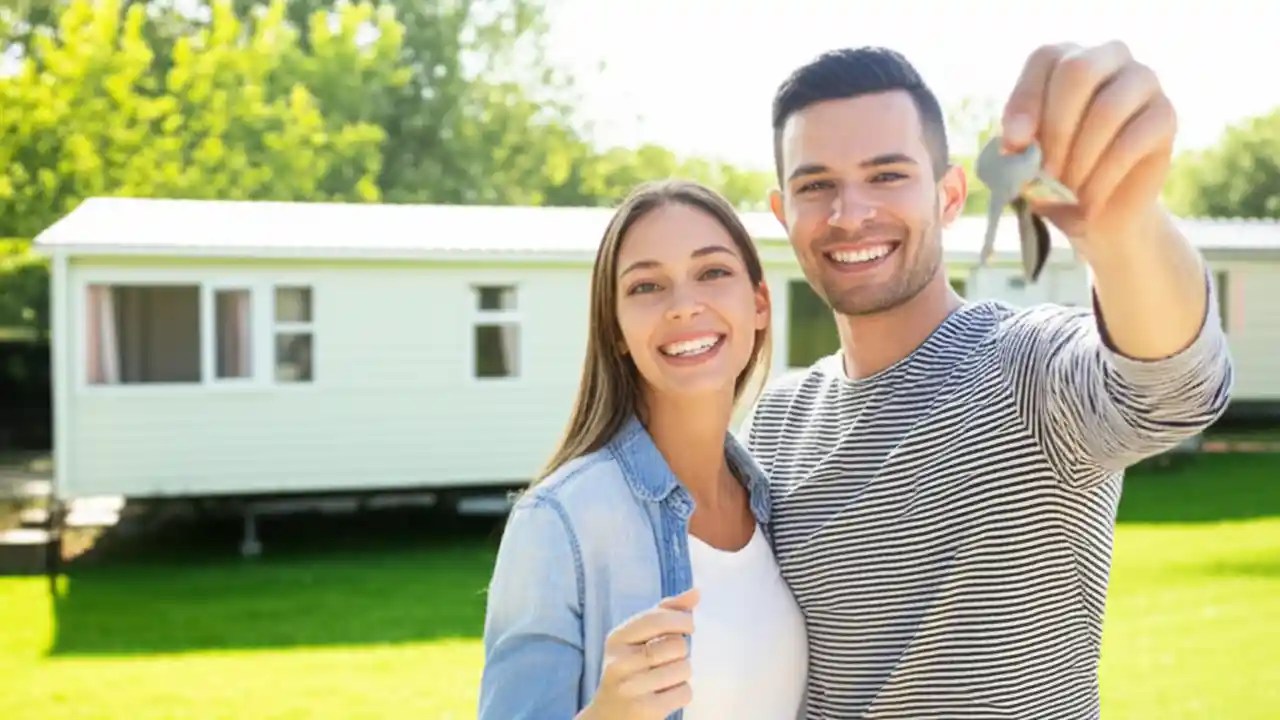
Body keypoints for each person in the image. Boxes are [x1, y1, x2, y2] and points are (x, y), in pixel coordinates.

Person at [739, 43, 1234, 718]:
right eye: (815, 184)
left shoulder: (1023, 368)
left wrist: (1124, 231)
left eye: (886, 176)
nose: (848, 214)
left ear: (948, 196)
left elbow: (1173, 389)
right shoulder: (775, 420)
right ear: (782, 213)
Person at [478, 179, 808, 720]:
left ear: (760, 304)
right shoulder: (561, 521)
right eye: (647, 287)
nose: (684, 305)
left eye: (713, 272)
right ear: (616, 332)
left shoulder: (778, 508)